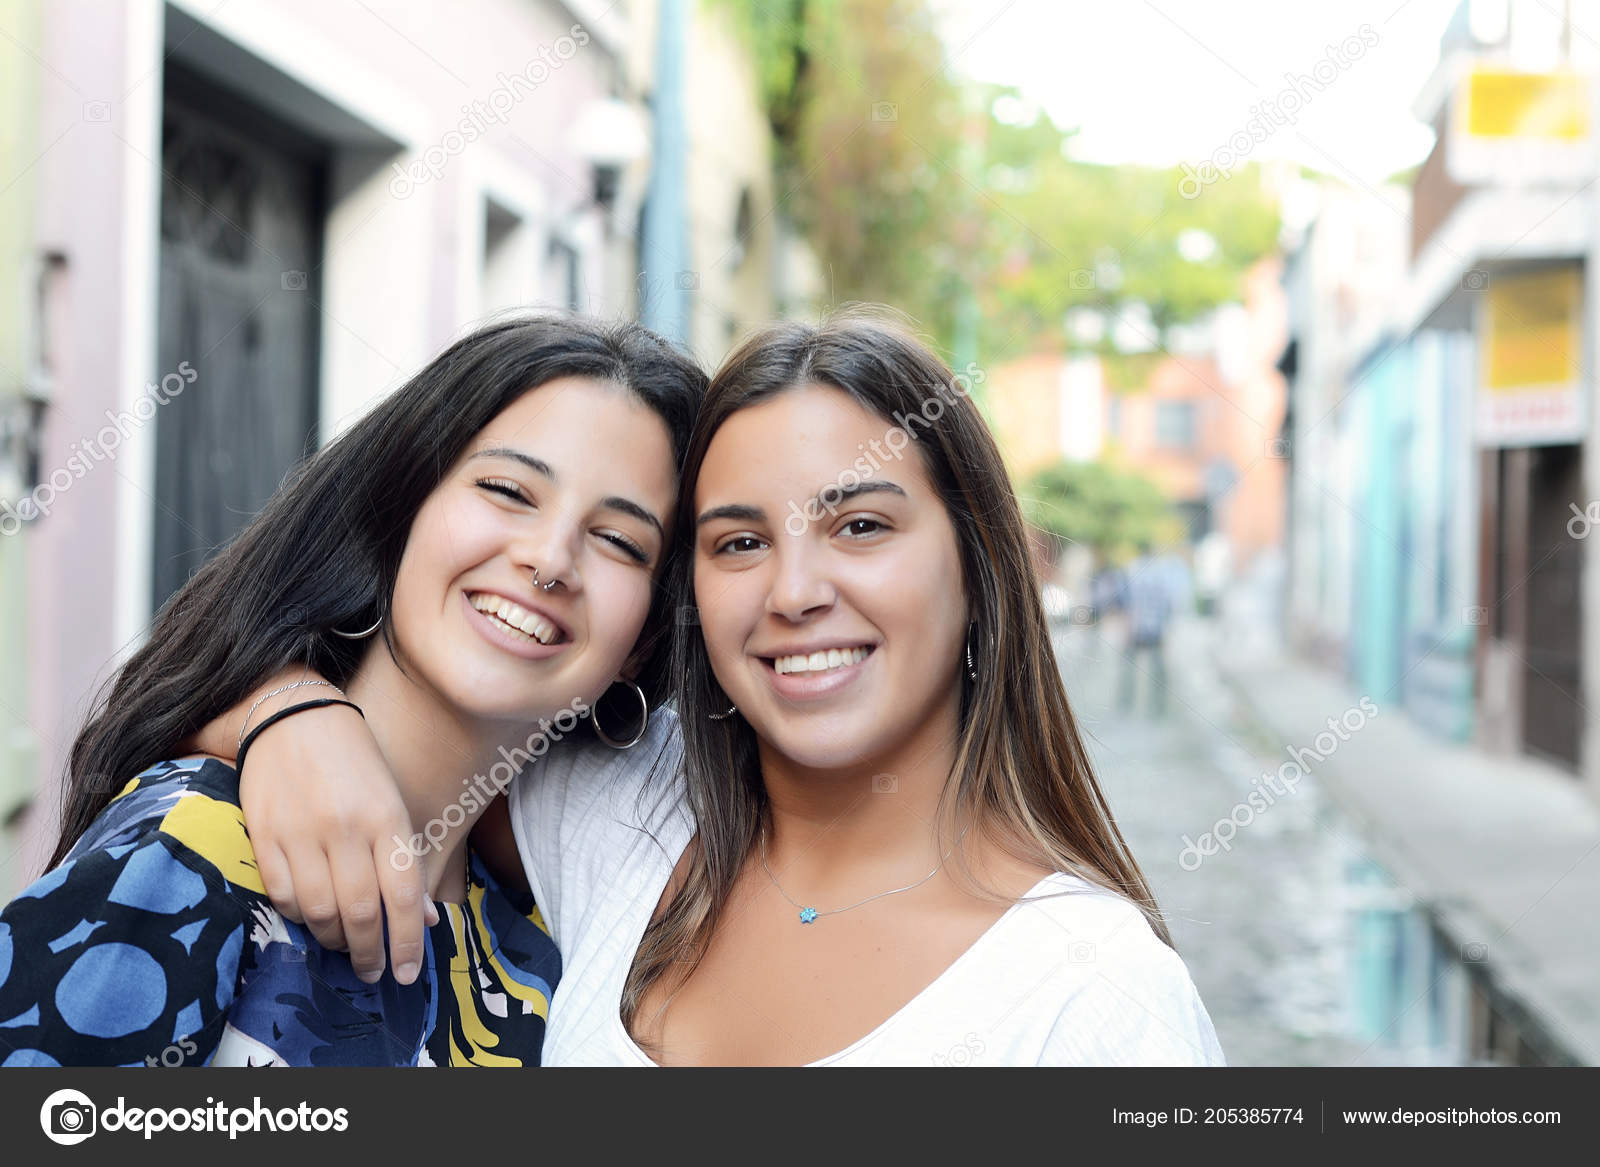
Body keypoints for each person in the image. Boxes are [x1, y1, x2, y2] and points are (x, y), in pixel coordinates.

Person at [227, 310, 1224, 1066]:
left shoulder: (1098, 998)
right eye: (739, 542)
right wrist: (291, 715)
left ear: (977, 567)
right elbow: (397, 720)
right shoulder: (617, 810)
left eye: (860, 526)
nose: (793, 592)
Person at [0, 316, 704, 1066]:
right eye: (507, 489)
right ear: (399, 511)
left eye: (621, 541)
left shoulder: (528, 965)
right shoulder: (197, 847)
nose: (550, 559)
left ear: (645, 644)